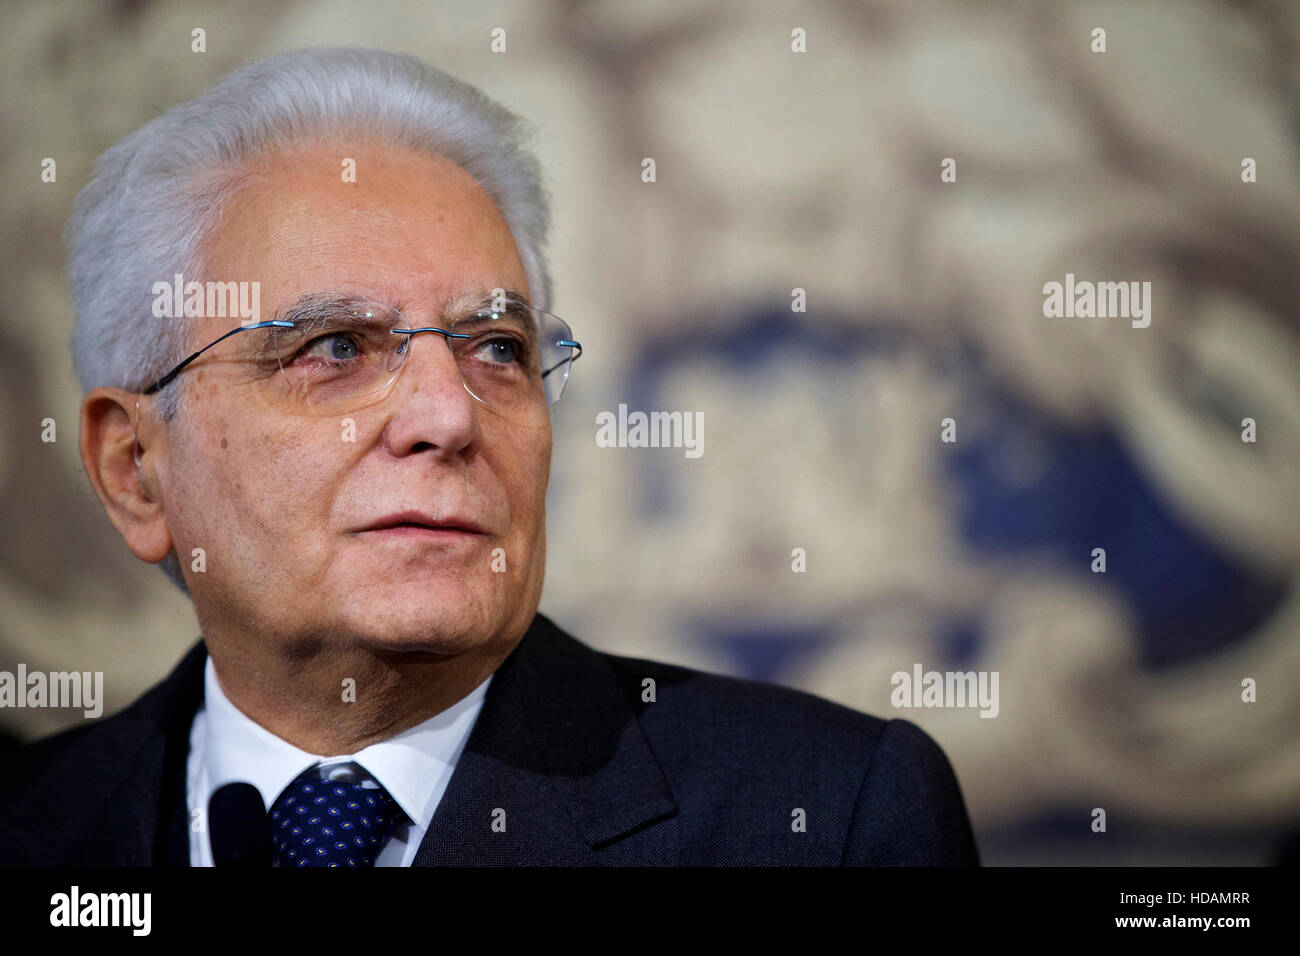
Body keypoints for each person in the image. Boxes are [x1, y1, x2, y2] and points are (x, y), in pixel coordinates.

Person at [0, 47, 978, 866]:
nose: (448, 414)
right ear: (135, 466)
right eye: (334, 347)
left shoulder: (826, 817)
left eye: (497, 349)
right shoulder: (30, 824)